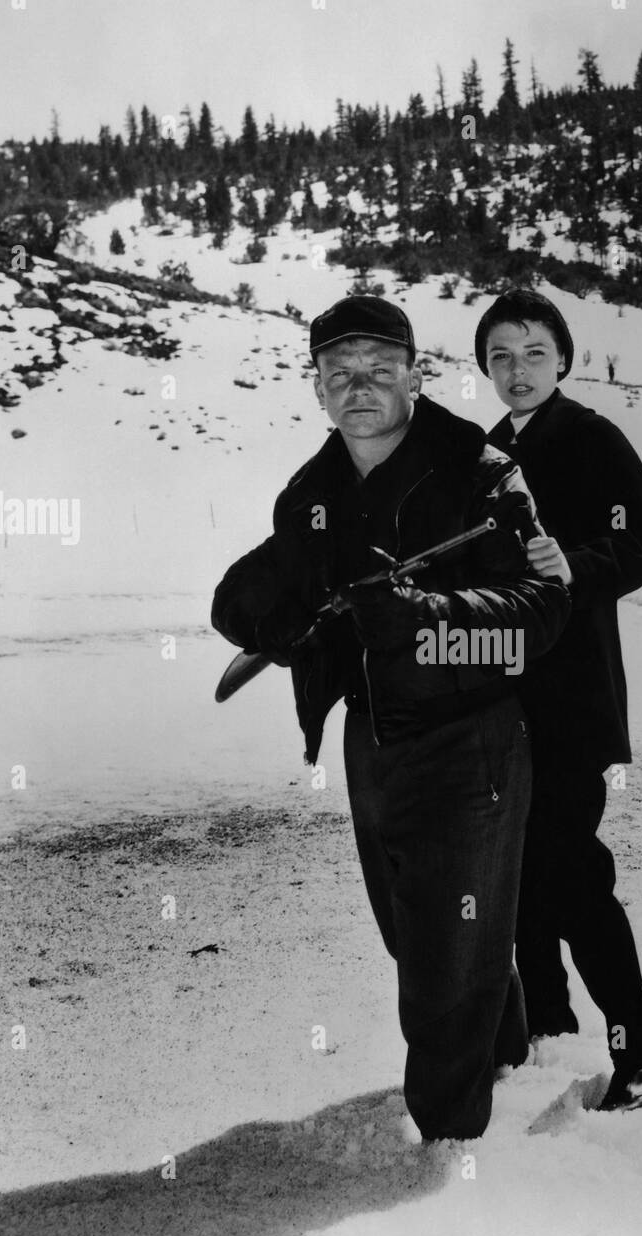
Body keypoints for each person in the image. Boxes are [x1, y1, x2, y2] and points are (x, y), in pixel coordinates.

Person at [212, 296, 570, 1141]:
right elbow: (280, 590)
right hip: (372, 737)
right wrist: (264, 621)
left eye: (378, 369)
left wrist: (428, 616)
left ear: (416, 374)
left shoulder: (480, 472)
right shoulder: (311, 493)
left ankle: (450, 1147)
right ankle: (508, 1056)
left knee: (446, 956)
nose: (359, 387)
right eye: (339, 373)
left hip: (470, 735)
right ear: (317, 390)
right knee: (419, 931)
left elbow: (541, 610)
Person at [474, 287, 642, 1110]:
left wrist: (576, 567)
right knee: (517, 876)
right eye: (498, 356)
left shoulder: (595, 440)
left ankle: (639, 1058)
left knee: (571, 876)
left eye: (532, 353)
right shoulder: (482, 453)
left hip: (574, 702)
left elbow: (639, 546)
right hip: (496, 701)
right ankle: (548, 1035)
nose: (516, 371)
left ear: (563, 359)